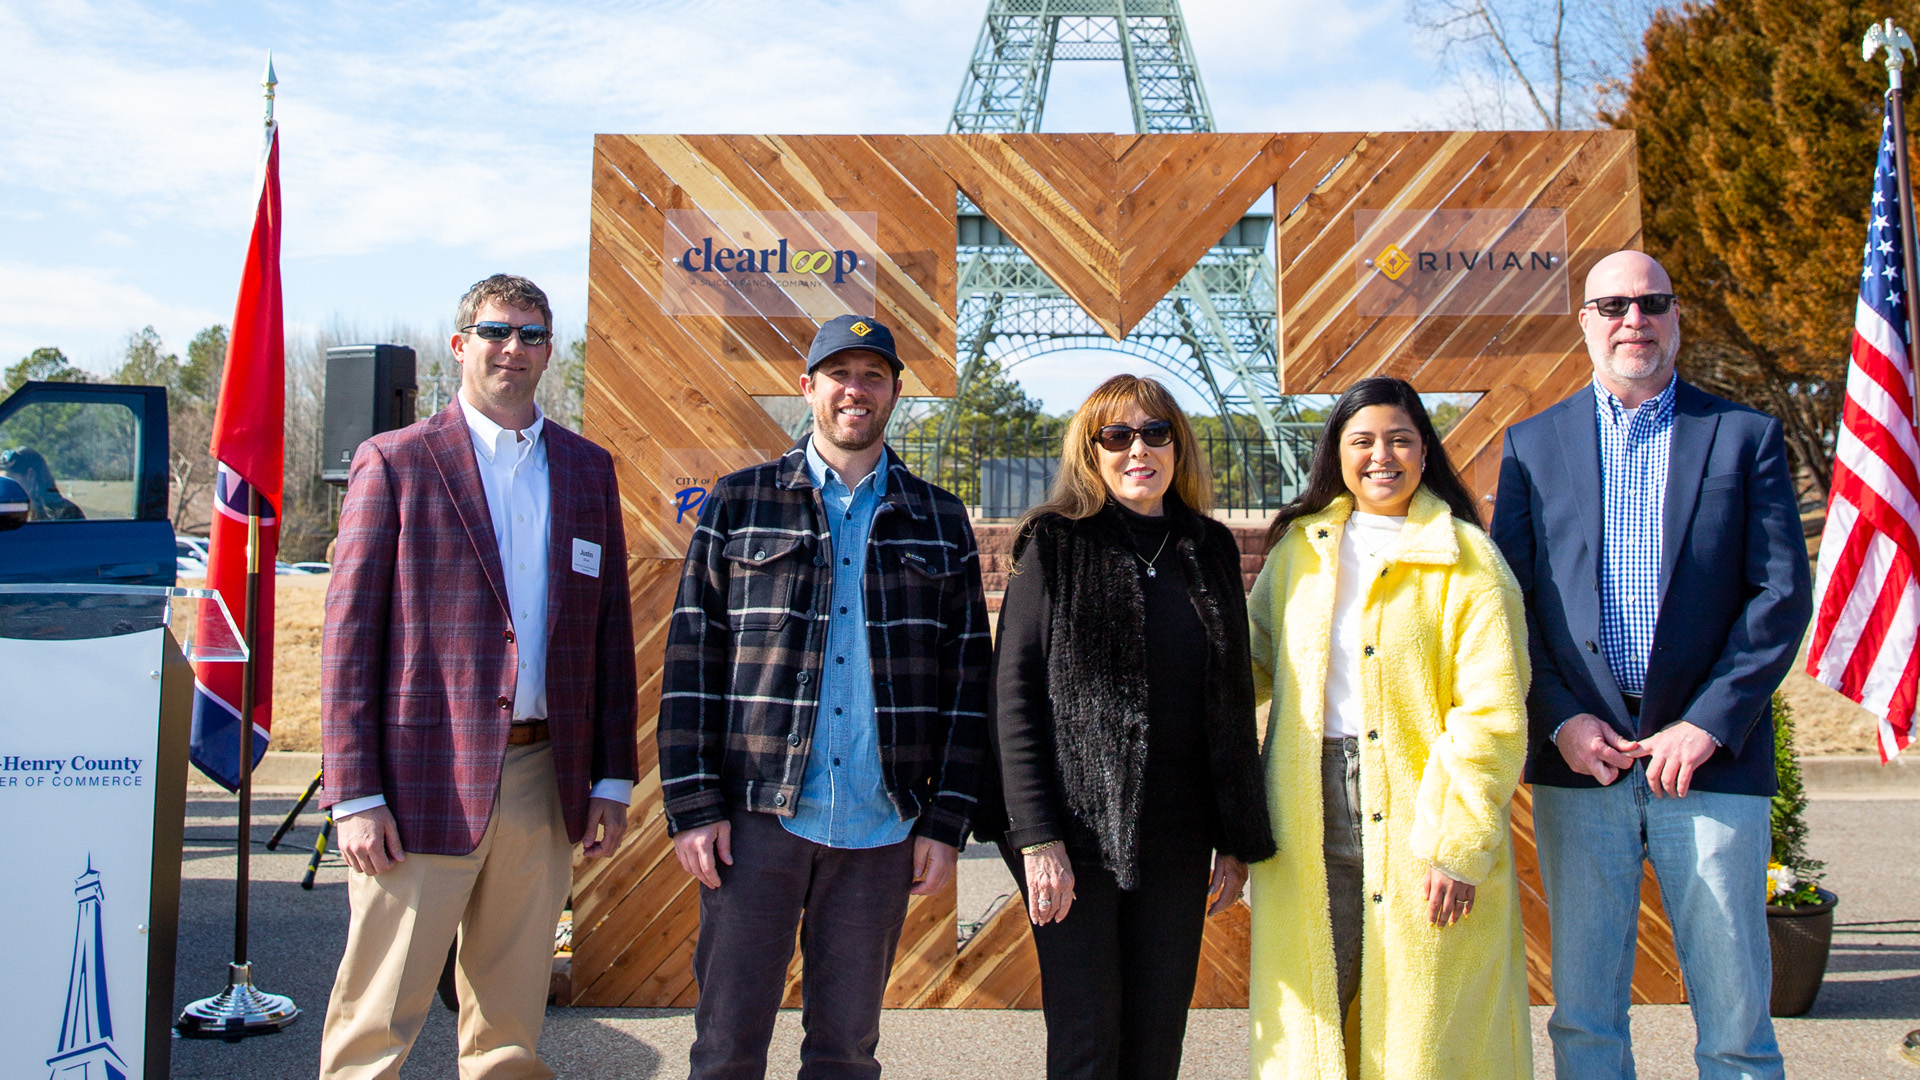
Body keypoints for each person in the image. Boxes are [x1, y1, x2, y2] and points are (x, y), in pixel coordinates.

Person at [1491, 250, 1811, 1080]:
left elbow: (1778, 597)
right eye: (1614, 305)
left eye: (1652, 303)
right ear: (1586, 324)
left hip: (1708, 762)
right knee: (1587, 1019)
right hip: (1582, 761)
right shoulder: (1531, 445)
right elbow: (1512, 607)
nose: (1634, 319)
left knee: (1737, 1018)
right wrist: (1559, 719)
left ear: (1675, 318)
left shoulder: (1744, 438)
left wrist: (1705, 725)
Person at [318, 274, 638, 1080]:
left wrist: (611, 777)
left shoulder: (586, 470)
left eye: (532, 336)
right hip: (421, 781)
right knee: (377, 1019)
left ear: (549, 353)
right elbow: (348, 642)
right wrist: (354, 795)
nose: (514, 350)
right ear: (461, 346)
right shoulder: (394, 463)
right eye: (497, 332)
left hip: (544, 780)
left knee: (508, 1027)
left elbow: (607, 638)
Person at [659, 314, 992, 1080]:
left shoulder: (940, 517)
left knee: (846, 1054)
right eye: (839, 374)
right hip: (756, 822)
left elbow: (967, 682)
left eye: (873, 375)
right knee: (726, 1048)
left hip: (880, 829)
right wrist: (694, 807)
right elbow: (691, 664)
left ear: (896, 393)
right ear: (807, 388)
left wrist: (945, 822)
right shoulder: (740, 503)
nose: (856, 390)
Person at [980, 374, 1273, 1080]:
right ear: (1091, 451)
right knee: (1087, 1041)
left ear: (1178, 444)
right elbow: (1013, 698)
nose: (1136, 448)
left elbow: (1230, 700)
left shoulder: (1209, 548)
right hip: (1075, 836)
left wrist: (1235, 838)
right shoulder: (1055, 544)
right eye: (1116, 435)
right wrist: (1037, 839)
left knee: (1156, 1040)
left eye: (1154, 432)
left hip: (1179, 833)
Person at [1247, 376, 1532, 1080]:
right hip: (1304, 816)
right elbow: (1241, 668)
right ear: (1336, 455)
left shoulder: (1469, 561)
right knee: (1309, 1030)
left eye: (1401, 439)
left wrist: (1460, 844)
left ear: (1426, 452)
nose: (1383, 456)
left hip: (1421, 817)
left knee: (1424, 1036)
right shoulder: (1296, 554)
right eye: (1363, 441)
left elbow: (1492, 713)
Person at [0, 446, 84, 520]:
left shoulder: (67, 513)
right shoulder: (5, 510)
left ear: (30, 475)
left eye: (8, 480)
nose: (3, 486)